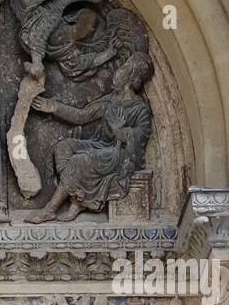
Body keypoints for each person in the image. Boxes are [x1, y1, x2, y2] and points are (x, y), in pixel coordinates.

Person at [26, 54, 153, 223]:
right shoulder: (111, 100)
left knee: (80, 161)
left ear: (133, 78)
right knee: (62, 147)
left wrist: (119, 130)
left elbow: (140, 138)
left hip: (121, 154)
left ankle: (50, 209)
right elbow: (82, 116)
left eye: (124, 70)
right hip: (102, 146)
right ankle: (77, 199)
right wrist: (54, 107)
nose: (118, 73)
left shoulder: (140, 109)